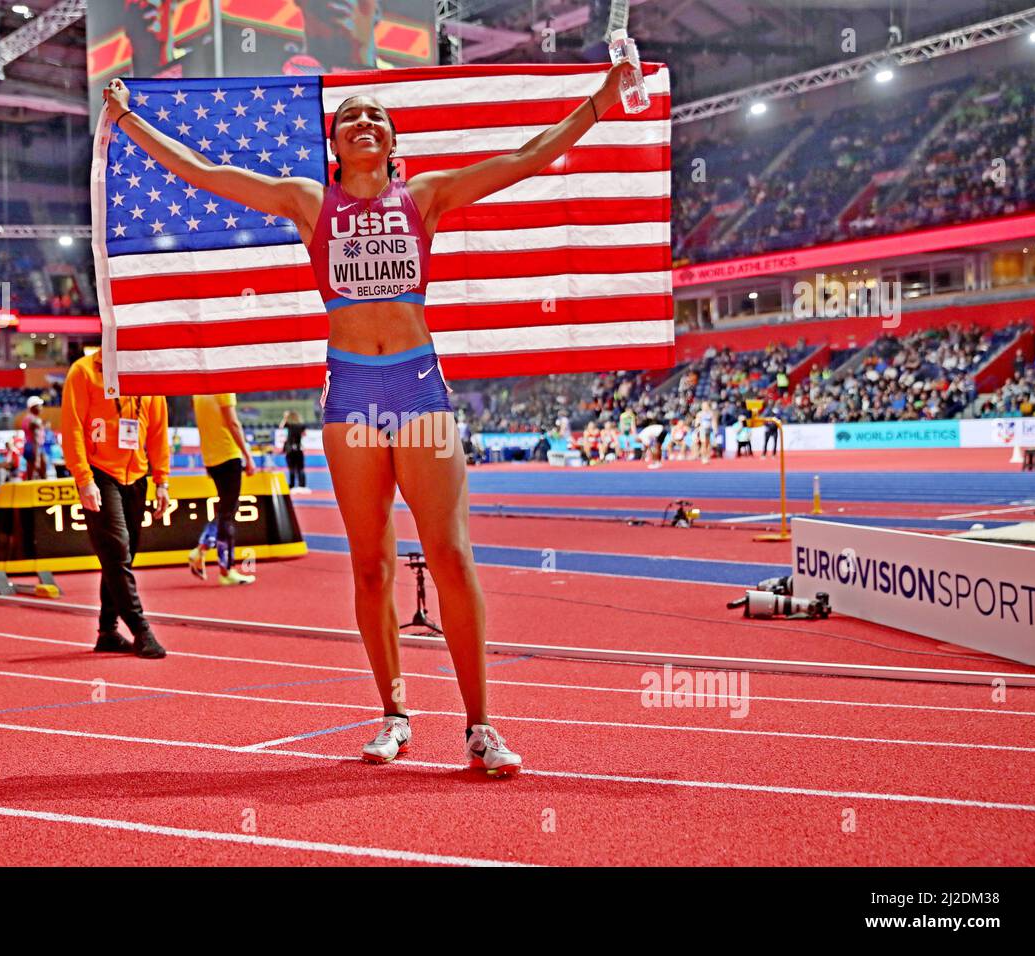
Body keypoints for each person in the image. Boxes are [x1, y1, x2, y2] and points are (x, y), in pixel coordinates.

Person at [104, 57, 637, 775]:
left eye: (375, 116)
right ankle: (394, 714)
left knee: (448, 553)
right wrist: (129, 121)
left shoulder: (427, 196)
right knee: (370, 567)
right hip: (350, 391)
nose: (362, 122)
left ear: (392, 141)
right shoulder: (306, 201)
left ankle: (481, 726)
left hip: (416, 387)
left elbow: (527, 156)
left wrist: (601, 99)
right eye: (349, 117)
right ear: (334, 143)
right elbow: (206, 175)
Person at [61, 347, 170, 659]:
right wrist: (84, 479)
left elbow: (158, 432)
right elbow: (72, 428)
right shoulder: (83, 372)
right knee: (117, 550)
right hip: (100, 473)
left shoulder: (148, 377)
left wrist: (162, 480)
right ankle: (141, 629)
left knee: (123, 556)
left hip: (136, 475)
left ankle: (108, 631)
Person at [188, 394, 258, 586]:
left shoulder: (198, 394)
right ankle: (226, 570)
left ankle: (201, 548)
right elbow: (232, 423)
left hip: (211, 458)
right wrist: (248, 455)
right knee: (227, 514)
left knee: (224, 509)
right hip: (228, 455)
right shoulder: (223, 389)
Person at [280, 409, 308, 494]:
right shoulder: (301, 425)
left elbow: (281, 427)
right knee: (300, 468)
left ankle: (291, 485)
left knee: (291, 468)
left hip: (290, 449)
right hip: (298, 448)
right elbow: (304, 434)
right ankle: (302, 485)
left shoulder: (288, 424)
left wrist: (285, 418)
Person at [22, 396, 47, 480]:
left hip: (32, 446)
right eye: (39, 405)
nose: (41, 408)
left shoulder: (30, 419)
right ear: (33, 407)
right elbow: (35, 438)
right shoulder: (34, 420)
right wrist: (37, 457)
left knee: (31, 471)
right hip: (34, 446)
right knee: (40, 471)